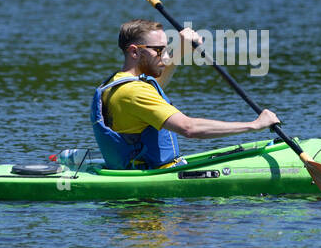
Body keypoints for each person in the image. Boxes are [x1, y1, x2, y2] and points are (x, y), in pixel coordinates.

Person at [92, 19, 280, 169]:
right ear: (134, 52)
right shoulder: (134, 93)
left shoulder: (117, 83)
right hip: (153, 181)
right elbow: (189, 128)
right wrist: (255, 125)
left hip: (142, 169)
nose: (165, 57)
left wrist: (182, 48)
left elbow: (155, 87)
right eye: (159, 50)